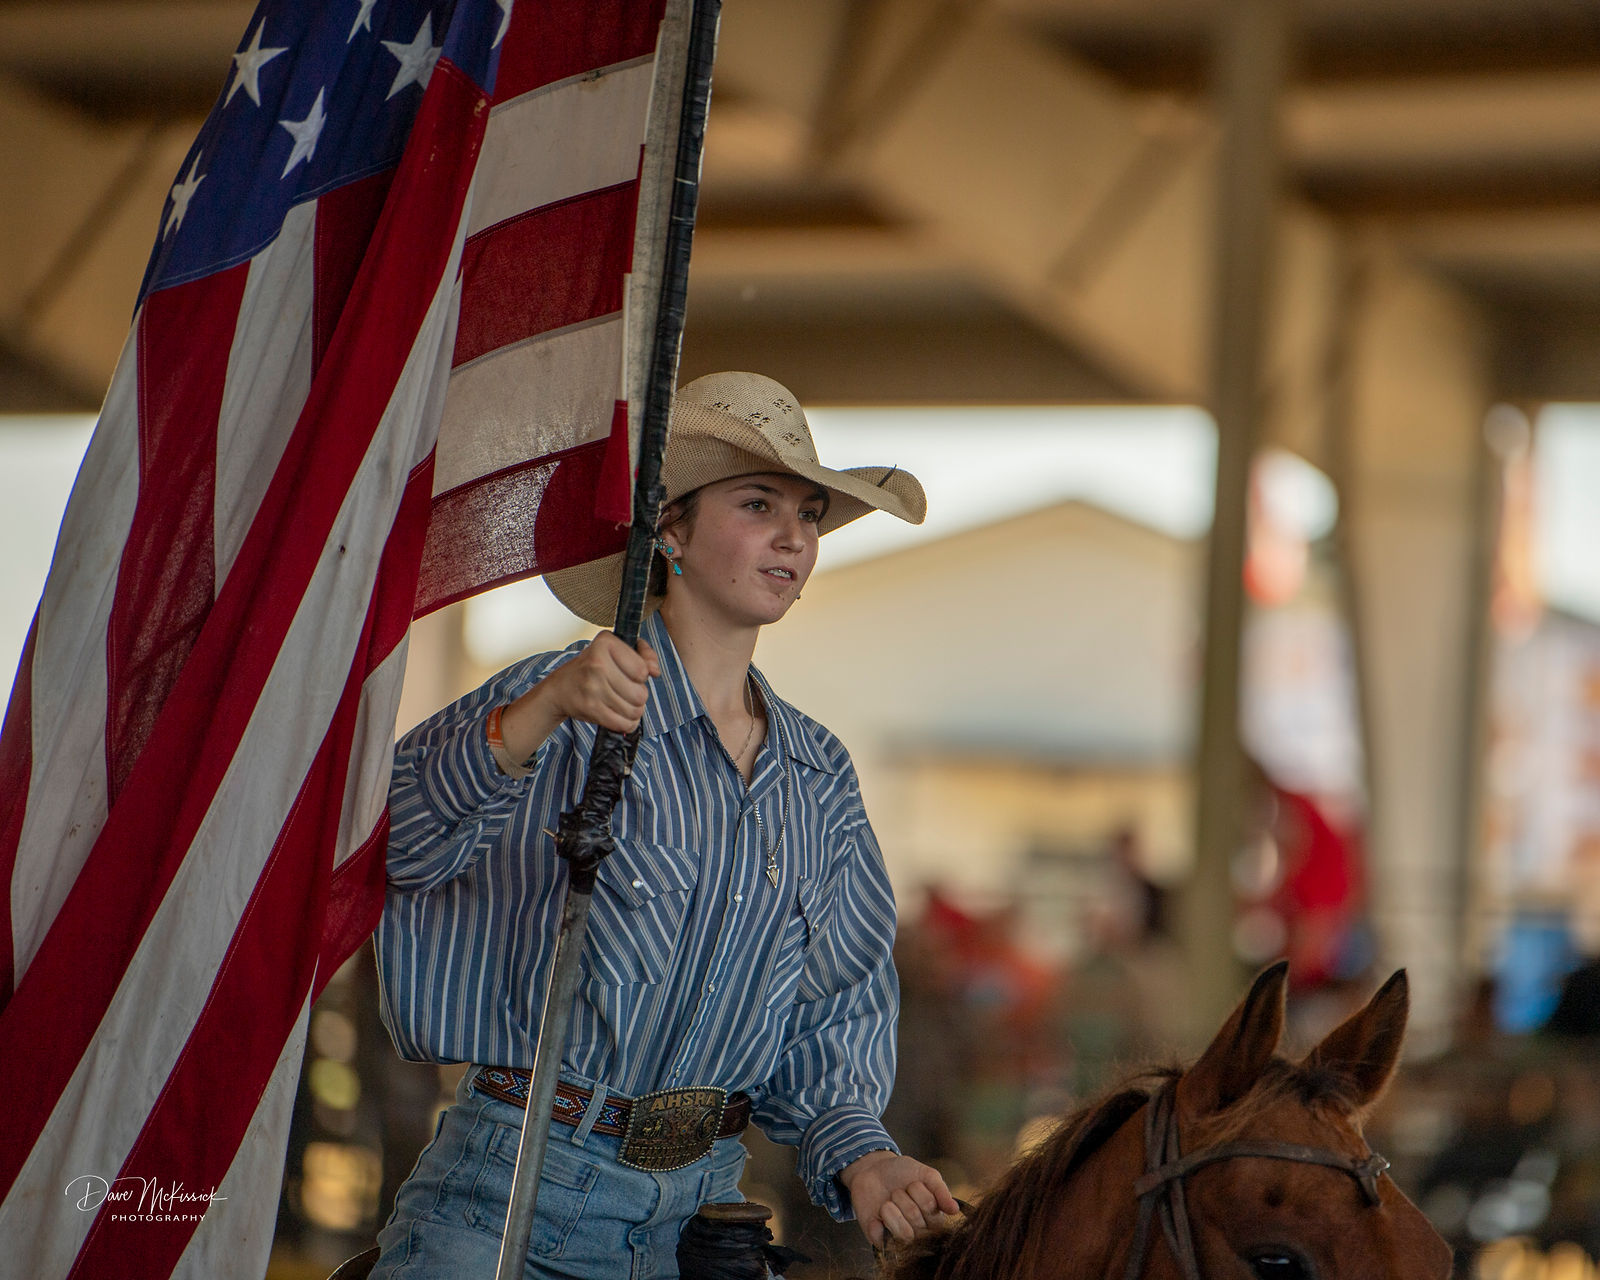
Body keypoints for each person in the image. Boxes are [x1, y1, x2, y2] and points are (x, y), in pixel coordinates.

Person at [369, 372, 959, 1279]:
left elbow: (833, 1006)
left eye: (808, 512)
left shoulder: (818, 774)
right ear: (670, 530)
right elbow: (396, 841)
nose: (795, 536)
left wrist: (864, 1155)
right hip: (510, 1200)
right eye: (758, 503)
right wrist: (544, 709)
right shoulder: (561, 703)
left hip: (704, 1219)